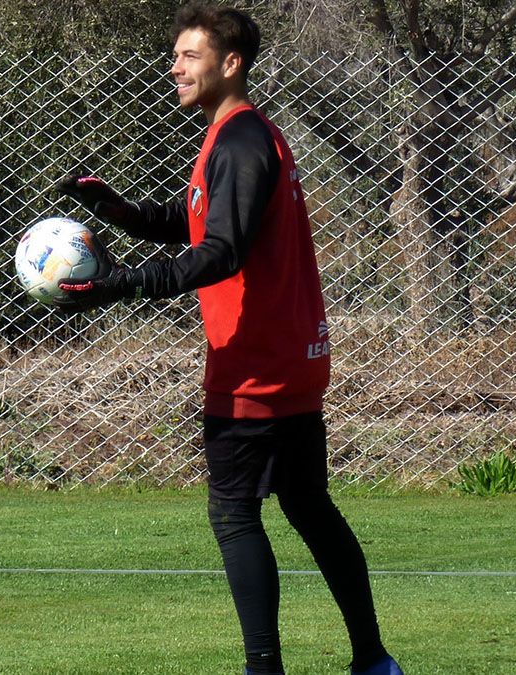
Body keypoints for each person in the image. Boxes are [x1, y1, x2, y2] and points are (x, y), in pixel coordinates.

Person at [53, 4, 403, 675]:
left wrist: (122, 284)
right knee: (307, 505)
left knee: (235, 512)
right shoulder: (236, 140)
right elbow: (193, 224)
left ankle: (265, 669)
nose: (175, 67)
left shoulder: (241, 142)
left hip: (254, 364)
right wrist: (116, 210)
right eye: (176, 55)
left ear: (230, 63)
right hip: (292, 358)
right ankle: (373, 660)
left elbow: (220, 251)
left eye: (190, 56)